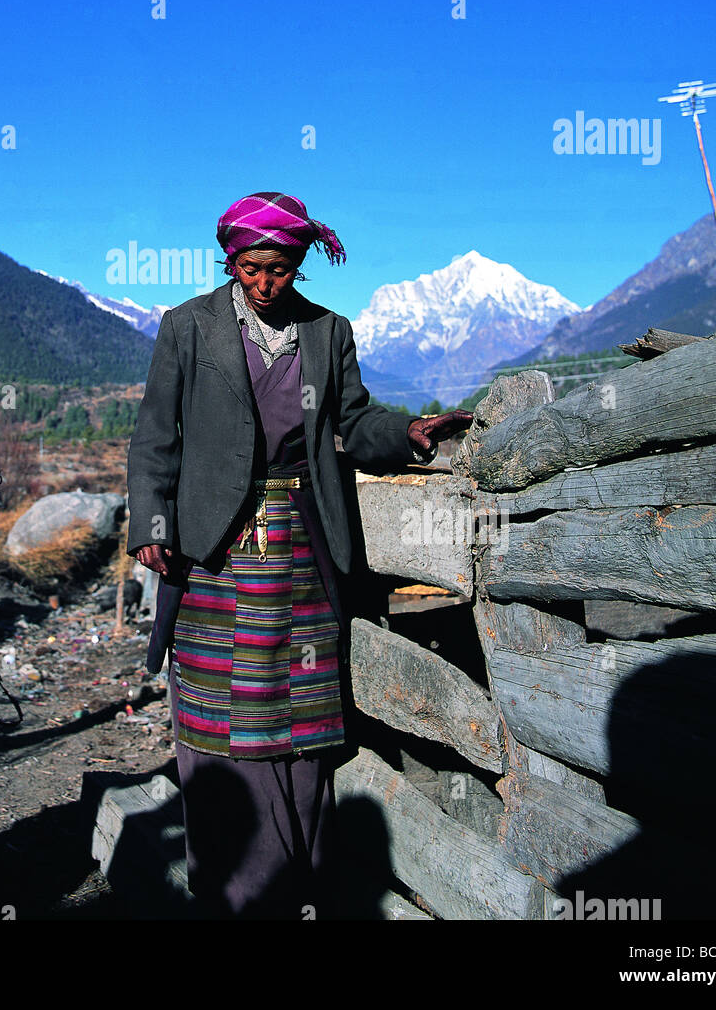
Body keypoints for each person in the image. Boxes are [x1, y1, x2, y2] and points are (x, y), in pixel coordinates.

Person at [127, 191, 471, 917]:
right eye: (249, 268)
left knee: (302, 715)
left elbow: (353, 420)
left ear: (302, 263)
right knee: (224, 714)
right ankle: (242, 889)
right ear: (231, 260)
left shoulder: (327, 334)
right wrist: (153, 527)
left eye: (278, 269)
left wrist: (409, 433)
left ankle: (302, 885)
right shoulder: (187, 328)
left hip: (300, 547)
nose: (262, 283)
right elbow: (156, 438)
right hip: (213, 551)